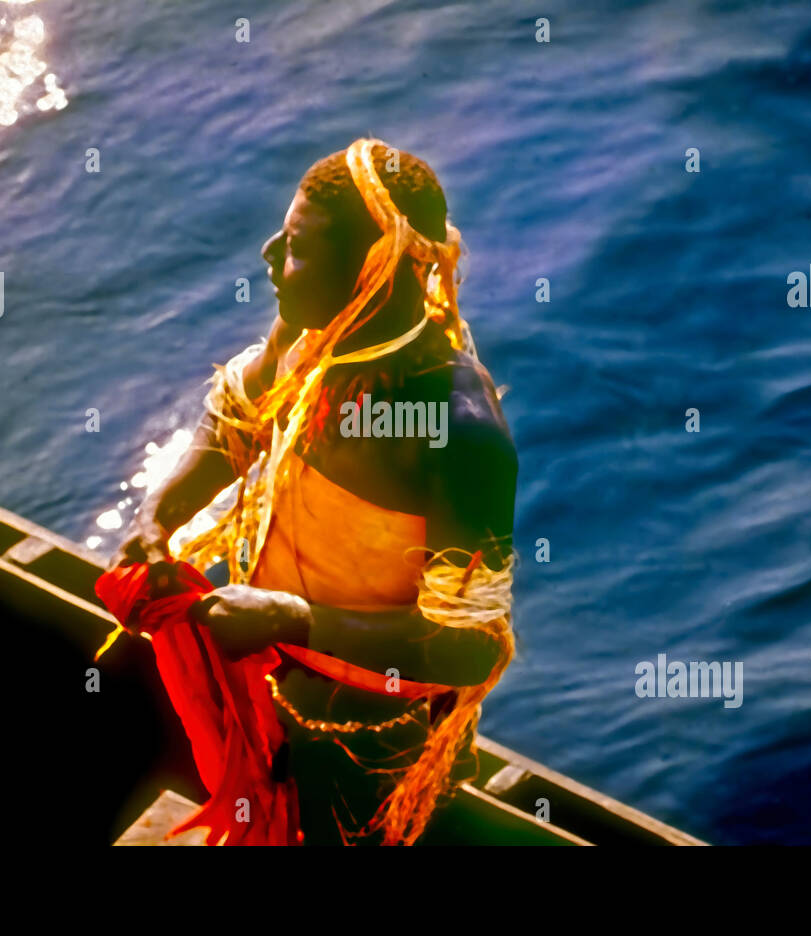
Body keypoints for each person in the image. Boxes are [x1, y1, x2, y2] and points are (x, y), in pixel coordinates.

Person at [111, 139, 517, 845]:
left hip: (377, 739)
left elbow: (468, 645)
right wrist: (163, 510)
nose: (269, 253)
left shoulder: (457, 429)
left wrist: (292, 618)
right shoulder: (307, 337)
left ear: (375, 270)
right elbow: (236, 415)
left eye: (296, 245)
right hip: (269, 680)